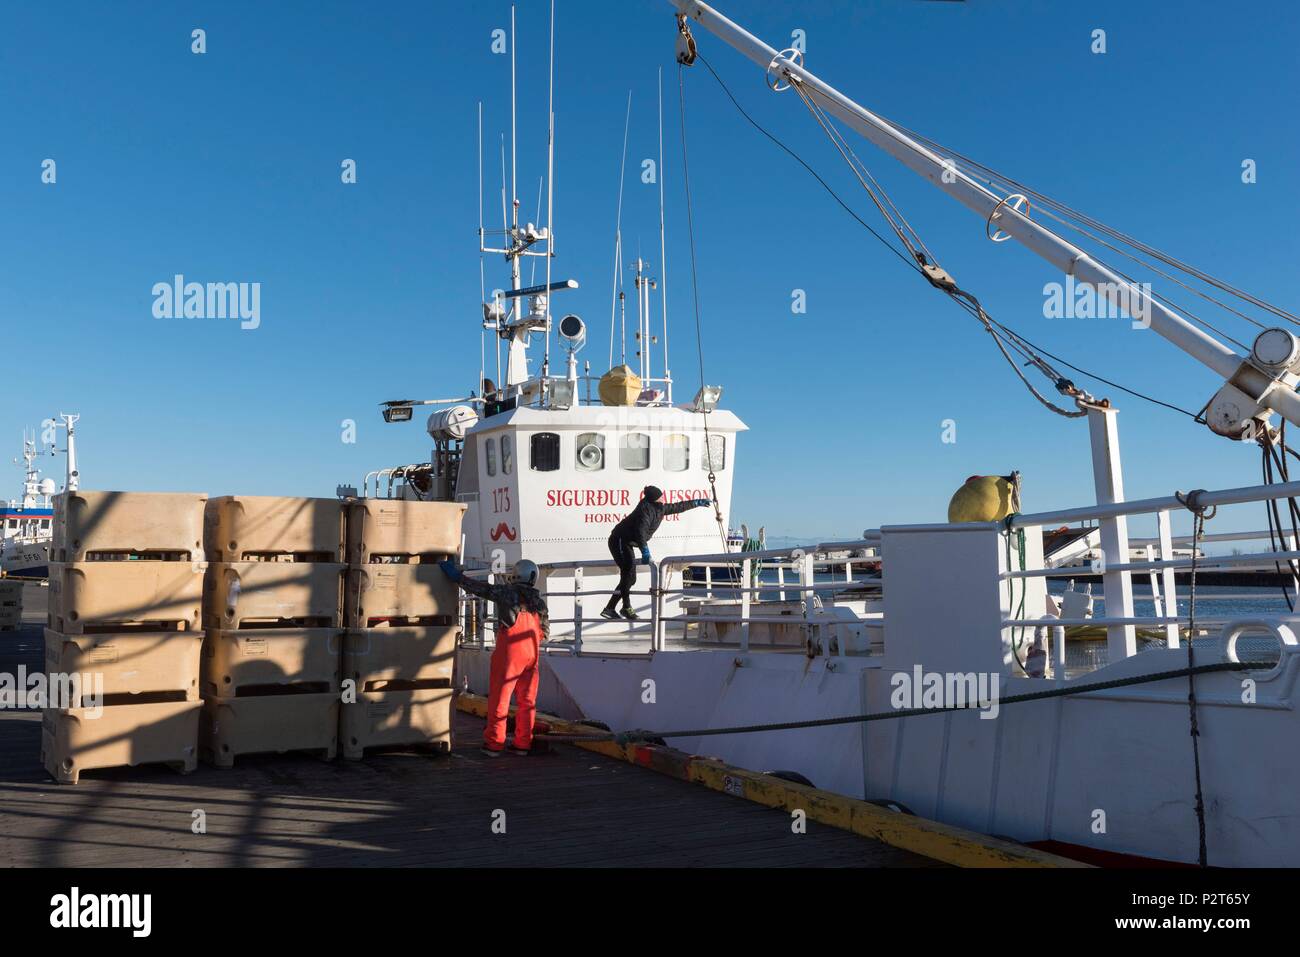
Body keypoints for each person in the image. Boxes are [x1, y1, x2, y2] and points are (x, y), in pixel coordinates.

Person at [440, 557, 548, 757]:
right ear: (533, 578)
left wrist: (457, 577)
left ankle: (494, 744)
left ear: (515, 575)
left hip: (510, 655)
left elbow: (480, 588)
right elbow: (545, 633)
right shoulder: (539, 602)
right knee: (527, 701)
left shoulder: (506, 593)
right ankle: (523, 744)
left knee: (500, 698)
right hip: (532, 656)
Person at [602, 486, 713, 620]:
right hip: (619, 540)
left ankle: (610, 608)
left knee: (631, 578)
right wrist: (645, 552)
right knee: (628, 574)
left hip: (628, 542)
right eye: (661, 496)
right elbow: (640, 532)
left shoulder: (659, 507)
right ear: (655, 498)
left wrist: (697, 503)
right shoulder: (645, 511)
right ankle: (625, 607)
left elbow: (678, 507)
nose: (663, 497)